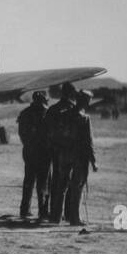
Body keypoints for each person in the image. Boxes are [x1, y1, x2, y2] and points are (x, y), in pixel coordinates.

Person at [43, 82, 77, 223]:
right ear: (70, 93)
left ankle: (54, 213)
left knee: (55, 182)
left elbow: (46, 130)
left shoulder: (52, 109)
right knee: (68, 183)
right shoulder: (73, 109)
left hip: (54, 150)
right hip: (69, 151)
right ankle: (67, 214)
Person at [63, 90, 98, 226]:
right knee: (77, 188)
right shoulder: (84, 118)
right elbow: (89, 142)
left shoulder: (65, 115)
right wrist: (93, 162)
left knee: (65, 187)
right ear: (84, 101)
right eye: (88, 100)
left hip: (65, 155)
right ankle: (75, 218)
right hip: (80, 157)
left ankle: (66, 215)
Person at [16, 90, 51, 220]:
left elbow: (21, 134)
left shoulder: (25, 113)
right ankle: (42, 211)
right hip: (43, 152)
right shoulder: (47, 114)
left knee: (29, 181)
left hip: (29, 151)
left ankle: (25, 209)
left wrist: (28, 144)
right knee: (43, 183)